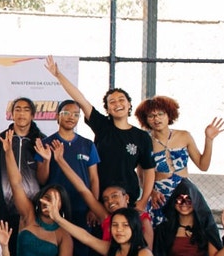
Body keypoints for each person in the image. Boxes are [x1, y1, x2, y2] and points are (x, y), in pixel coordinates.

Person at [45, 55, 155, 212]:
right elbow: (81, 100)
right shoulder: (103, 126)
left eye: (121, 100)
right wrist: (58, 75)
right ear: (108, 109)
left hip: (127, 199)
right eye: (112, 102)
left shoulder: (142, 137)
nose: (117, 104)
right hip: (100, 199)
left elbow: (149, 170)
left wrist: (144, 200)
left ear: (129, 104)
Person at [2, 130, 73, 256]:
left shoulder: (63, 232)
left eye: (55, 200)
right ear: (40, 199)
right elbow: (16, 183)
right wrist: (8, 151)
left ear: (62, 205)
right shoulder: (28, 215)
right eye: (47, 197)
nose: (49, 203)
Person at [134, 95, 224, 226]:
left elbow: (203, 166)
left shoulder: (184, 136)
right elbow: (141, 177)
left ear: (169, 115)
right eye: (151, 116)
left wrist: (209, 139)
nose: (157, 119)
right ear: (145, 119)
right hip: (159, 195)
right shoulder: (144, 141)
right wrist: (152, 193)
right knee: (160, 232)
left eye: (161, 114)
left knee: (189, 228)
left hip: (184, 191)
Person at [35, 100, 100, 256]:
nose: (71, 117)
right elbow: (42, 180)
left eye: (76, 114)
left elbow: (94, 179)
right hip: (54, 207)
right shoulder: (46, 143)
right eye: (66, 113)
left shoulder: (87, 145)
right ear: (57, 116)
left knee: (81, 253)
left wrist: (93, 207)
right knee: (51, 251)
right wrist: (48, 160)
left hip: (80, 207)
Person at [0, 96, 43, 250]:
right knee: (7, 250)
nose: (21, 114)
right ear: (11, 114)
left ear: (32, 115)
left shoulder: (40, 141)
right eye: (17, 109)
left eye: (26, 110)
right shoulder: (0, 140)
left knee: (31, 249)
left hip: (33, 207)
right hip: (6, 207)